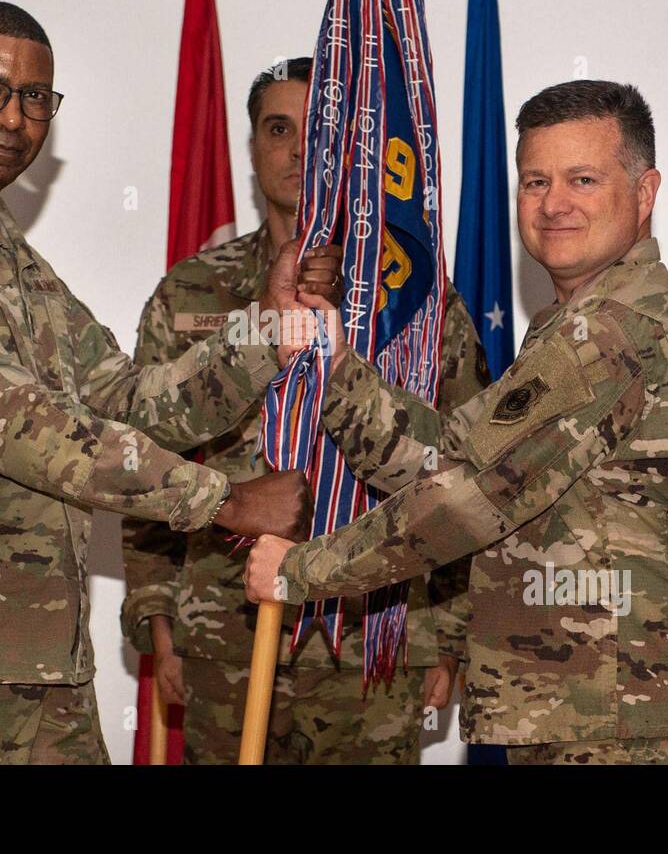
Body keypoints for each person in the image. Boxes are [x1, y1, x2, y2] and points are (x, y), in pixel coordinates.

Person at [0, 1, 320, 765]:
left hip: (46, 677)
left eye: (35, 99)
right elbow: (16, 422)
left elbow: (132, 402)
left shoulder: (13, 262)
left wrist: (267, 332)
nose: (13, 117)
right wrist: (228, 503)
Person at [247, 80, 668, 765]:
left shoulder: (609, 335)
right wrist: (333, 368)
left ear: (645, 191)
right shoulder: (571, 329)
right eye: (535, 180)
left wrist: (301, 571)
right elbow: (446, 462)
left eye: (583, 179)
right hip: (590, 712)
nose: (554, 204)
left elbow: (464, 501)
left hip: (632, 724)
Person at [121, 58, 489, 764]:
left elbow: (463, 469)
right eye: (276, 129)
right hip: (221, 622)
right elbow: (147, 459)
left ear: (350, 148)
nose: (296, 151)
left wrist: (450, 634)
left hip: (373, 624)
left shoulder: (413, 298)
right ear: (252, 148)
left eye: (317, 132)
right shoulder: (195, 290)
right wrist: (158, 618)